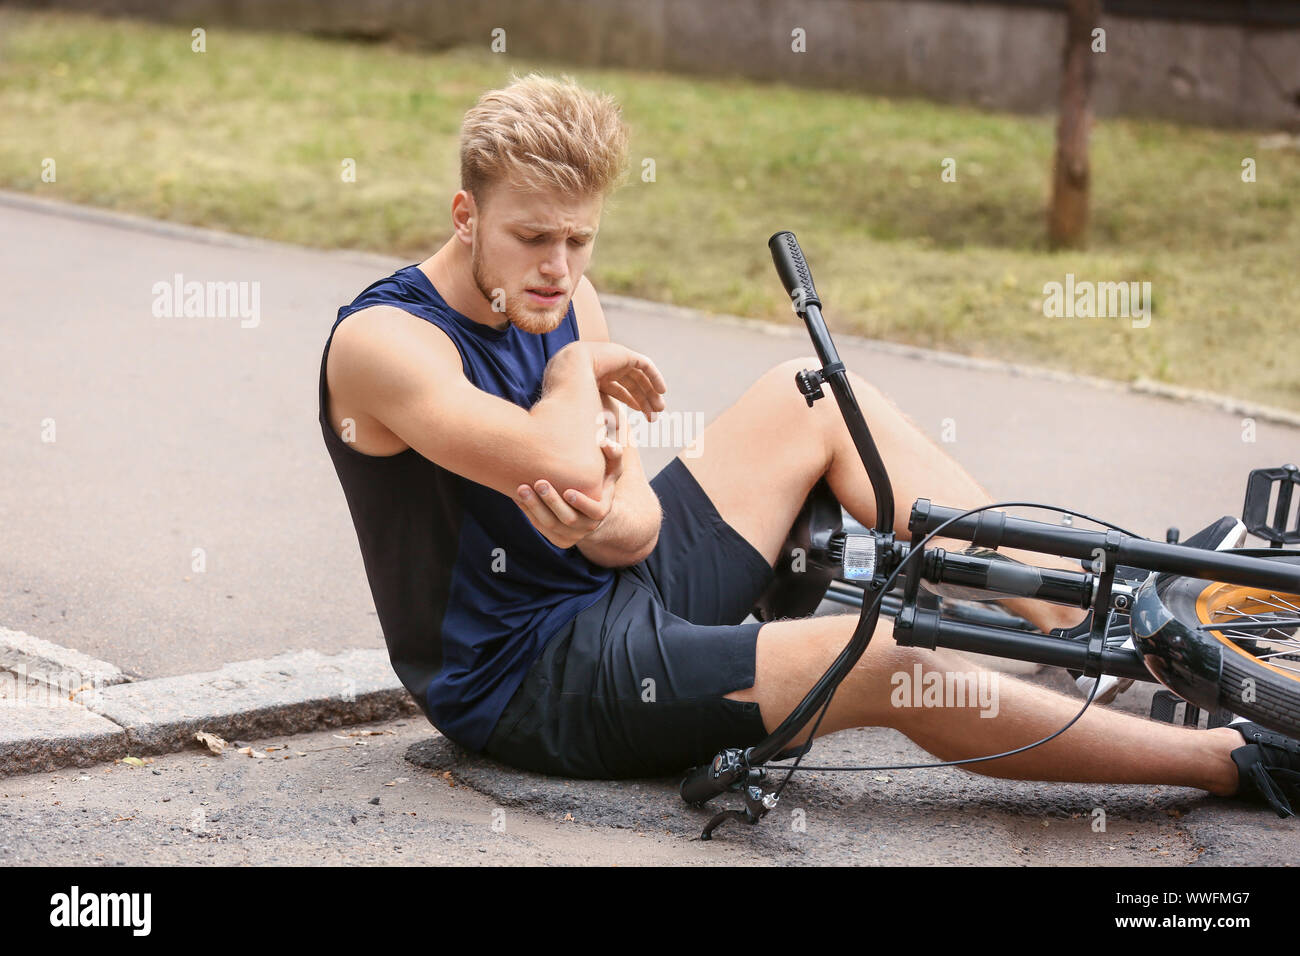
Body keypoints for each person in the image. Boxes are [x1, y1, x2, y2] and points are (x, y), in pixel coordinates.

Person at [318, 73, 1300, 817]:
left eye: (579, 241)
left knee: (811, 394)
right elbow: (573, 464)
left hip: (615, 589)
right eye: (534, 239)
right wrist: (576, 378)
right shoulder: (383, 347)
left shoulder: (561, 289)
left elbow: (629, 527)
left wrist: (608, 498)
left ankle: (1095, 616)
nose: (562, 269)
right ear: (465, 214)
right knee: (873, 653)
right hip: (529, 679)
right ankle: (1235, 760)